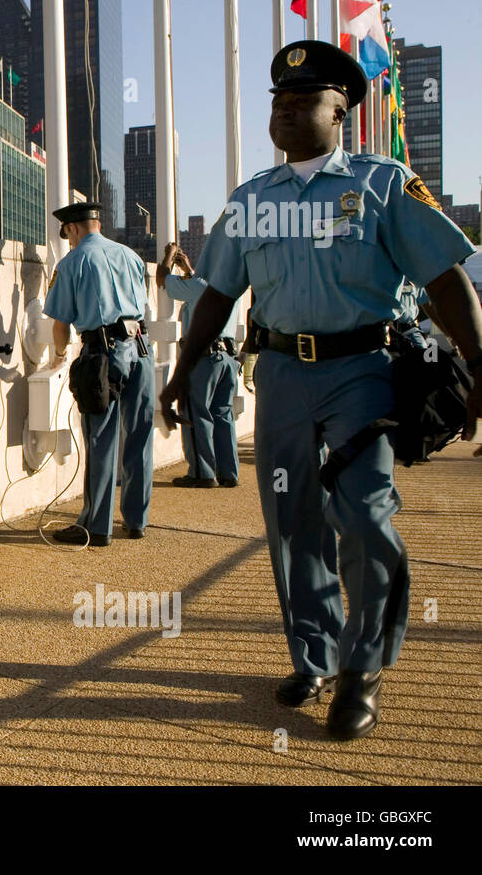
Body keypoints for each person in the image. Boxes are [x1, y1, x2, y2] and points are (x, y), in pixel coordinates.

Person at [160, 39, 482, 740]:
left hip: (362, 370)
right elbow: (217, 295)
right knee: (291, 526)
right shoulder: (251, 199)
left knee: (365, 517)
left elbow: (445, 278)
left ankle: (362, 672)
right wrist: (181, 371)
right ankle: (316, 656)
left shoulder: (382, 184)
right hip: (279, 374)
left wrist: (480, 363)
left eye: (305, 100)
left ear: (342, 113)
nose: (287, 110)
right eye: (279, 99)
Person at [45, 202, 154, 546]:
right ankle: (136, 521)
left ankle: (96, 526)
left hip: (103, 355)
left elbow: (61, 324)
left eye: (68, 236)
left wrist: (60, 355)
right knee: (139, 436)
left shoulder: (73, 262)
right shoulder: (130, 256)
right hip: (140, 347)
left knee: (101, 439)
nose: (69, 242)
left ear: (72, 228)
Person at [157, 242, 241, 488]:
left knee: (195, 414)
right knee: (223, 415)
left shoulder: (201, 287)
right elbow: (197, 287)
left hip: (204, 358)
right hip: (226, 358)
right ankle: (228, 472)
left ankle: (202, 472)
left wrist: (169, 256)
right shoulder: (229, 288)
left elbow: (162, 279)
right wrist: (189, 271)